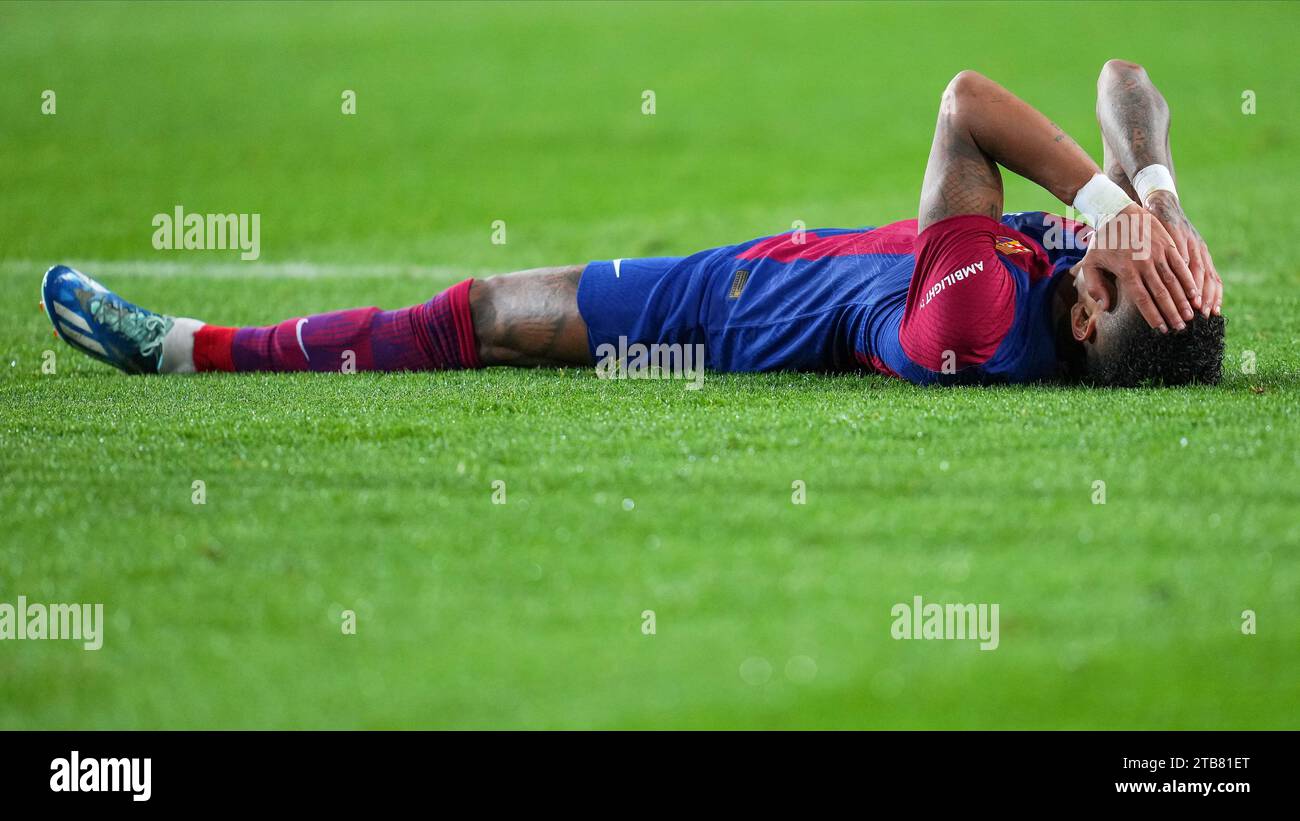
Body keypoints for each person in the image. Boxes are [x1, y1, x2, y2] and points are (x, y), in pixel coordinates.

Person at [42, 60, 1223, 387]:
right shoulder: (1120, 300)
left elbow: (966, 104)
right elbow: (1127, 80)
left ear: (1079, 318)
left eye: (1105, 274)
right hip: (781, 271)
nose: (1100, 259)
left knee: (489, 315)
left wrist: (1105, 206)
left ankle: (182, 345)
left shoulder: (979, 319)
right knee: (490, 318)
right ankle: (192, 344)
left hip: (733, 307)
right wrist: (1159, 203)